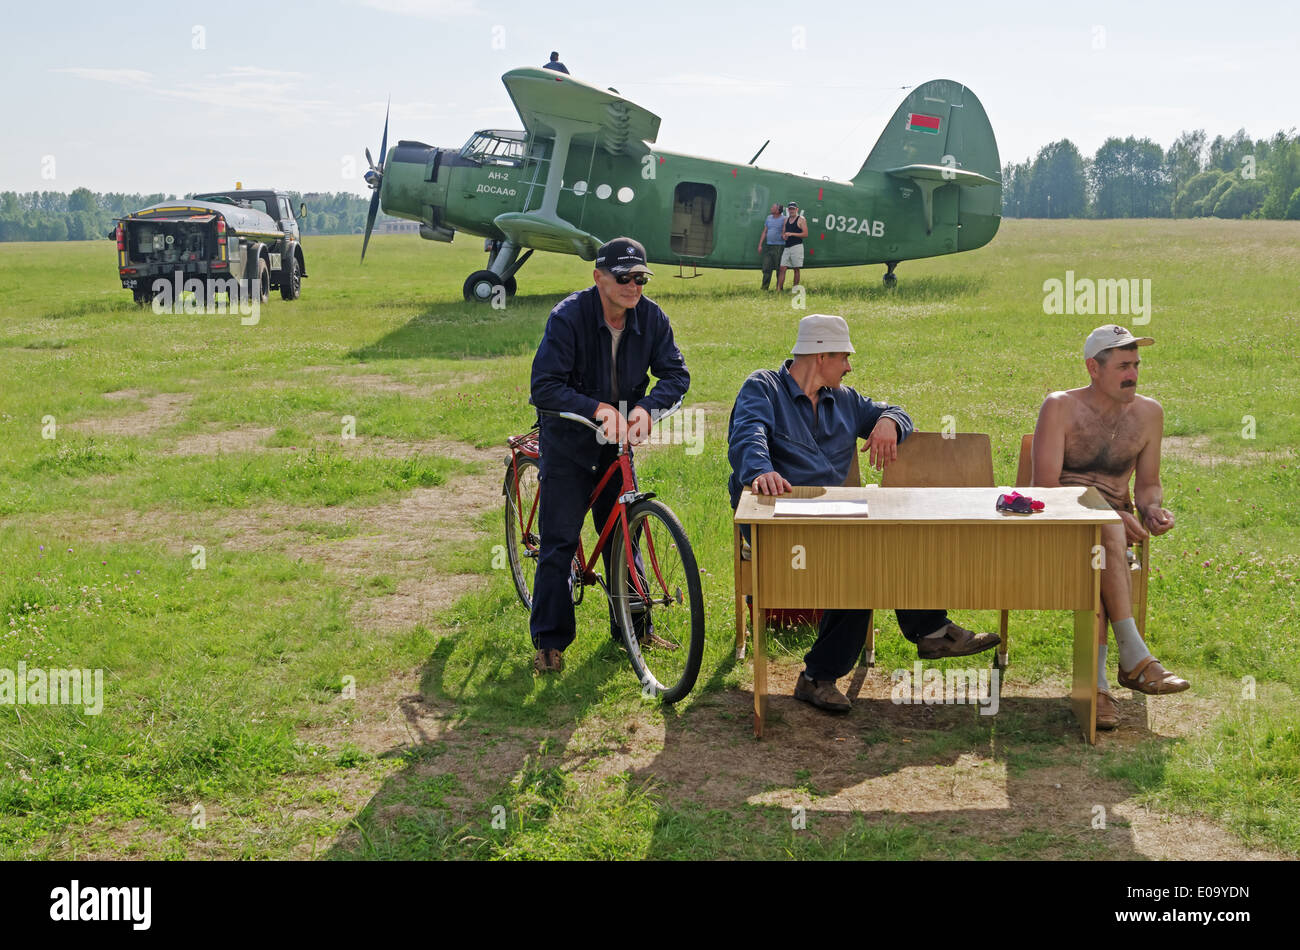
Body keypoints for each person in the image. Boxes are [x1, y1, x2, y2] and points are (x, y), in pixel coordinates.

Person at [727, 314, 1000, 713]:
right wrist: (760, 470)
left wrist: (890, 421)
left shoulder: (847, 400)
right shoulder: (763, 387)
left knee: (880, 547)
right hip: (776, 523)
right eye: (844, 357)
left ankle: (832, 671)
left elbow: (898, 411)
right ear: (821, 356)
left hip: (836, 524)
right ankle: (922, 633)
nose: (850, 366)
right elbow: (747, 432)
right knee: (861, 564)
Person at [529, 238, 690, 674]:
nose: (633, 286)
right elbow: (544, 386)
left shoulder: (652, 318)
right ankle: (550, 641)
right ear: (598, 277)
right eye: (624, 277)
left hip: (616, 447)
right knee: (559, 543)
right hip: (568, 444)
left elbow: (676, 374)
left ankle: (634, 631)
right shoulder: (567, 318)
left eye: (640, 278)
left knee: (625, 535)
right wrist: (596, 409)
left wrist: (645, 409)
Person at [1031, 324, 1188, 731]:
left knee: (1106, 546)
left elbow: (1148, 484)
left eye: (1135, 364)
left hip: (1114, 532)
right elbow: (1045, 487)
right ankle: (1133, 660)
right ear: (1093, 368)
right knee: (1108, 529)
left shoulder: (1150, 413)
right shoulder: (1060, 406)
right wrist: (1106, 514)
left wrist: (1152, 509)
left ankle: (1099, 690)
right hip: (1064, 524)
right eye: (1122, 366)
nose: (1132, 374)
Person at [776, 201, 808, 291]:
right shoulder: (786, 220)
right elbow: (783, 231)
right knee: (782, 268)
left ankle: (795, 290)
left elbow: (805, 234)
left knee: (796, 269)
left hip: (797, 247)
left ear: (797, 209)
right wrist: (784, 236)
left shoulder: (801, 219)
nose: (791, 210)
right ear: (788, 210)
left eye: (793, 209)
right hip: (787, 247)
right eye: (790, 209)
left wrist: (792, 234)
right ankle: (779, 290)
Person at [757, 203, 785, 290]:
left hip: (779, 246)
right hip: (768, 245)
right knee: (766, 267)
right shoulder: (769, 218)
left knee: (778, 268)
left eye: (773, 207)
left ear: (777, 210)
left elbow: (785, 231)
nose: (771, 208)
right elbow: (765, 231)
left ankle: (779, 288)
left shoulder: (784, 219)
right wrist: (760, 244)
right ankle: (764, 288)